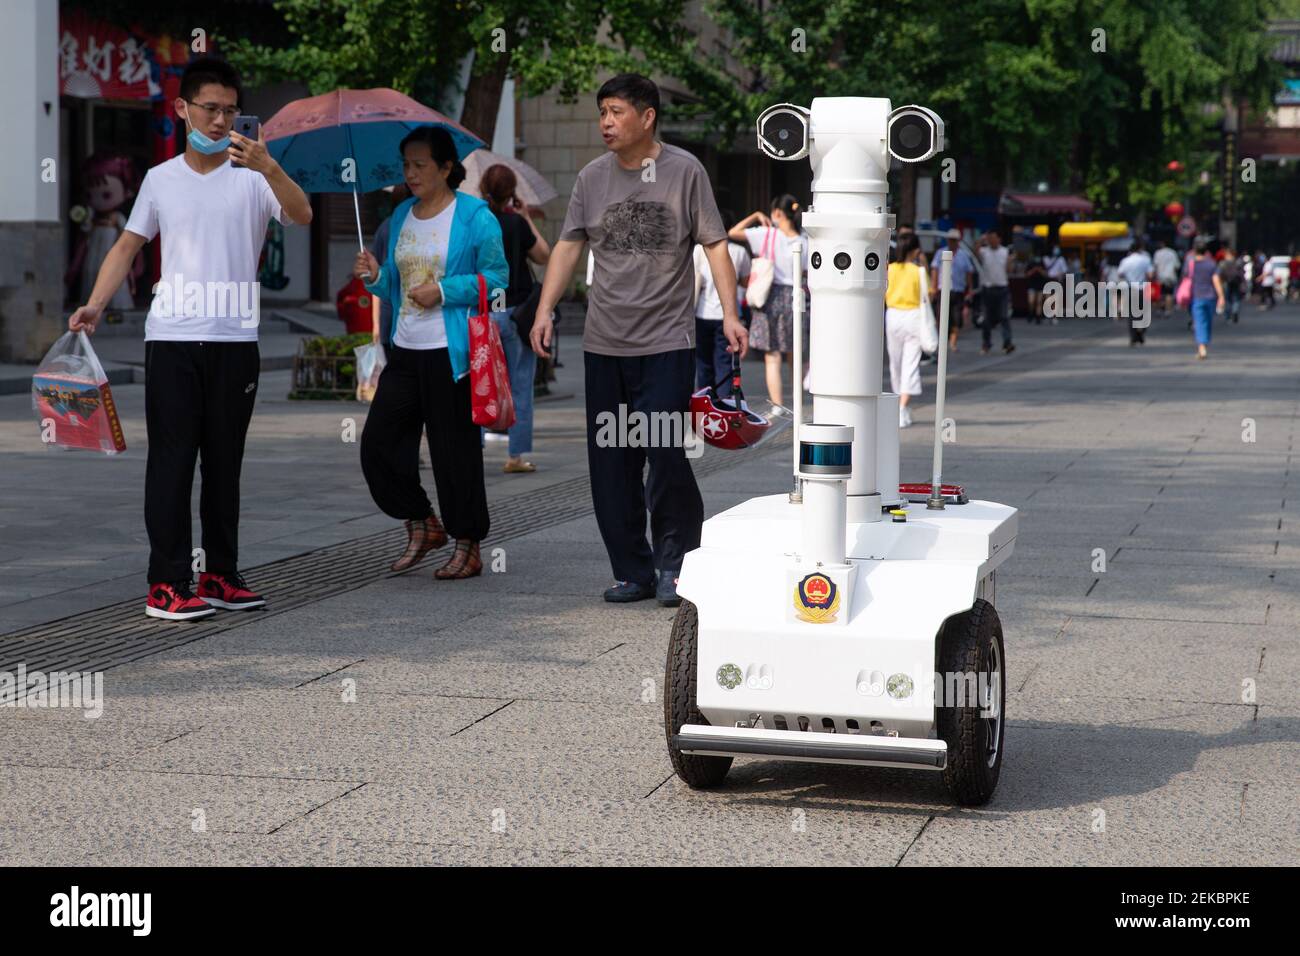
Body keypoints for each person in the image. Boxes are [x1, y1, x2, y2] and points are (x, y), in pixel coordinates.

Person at [68, 56, 311, 621]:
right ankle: (168, 582)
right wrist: (96, 305)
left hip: (235, 339)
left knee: (225, 464)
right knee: (174, 462)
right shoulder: (160, 179)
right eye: (211, 108)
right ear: (183, 110)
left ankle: (221, 573)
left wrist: (270, 168)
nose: (222, 120)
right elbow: (127, 246)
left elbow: (299, 216)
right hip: (174, 338)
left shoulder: (254, 177)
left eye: (231, 109)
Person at [529, 73, 746, 607]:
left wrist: (733, 316)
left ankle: (675, 564)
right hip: (605, 344)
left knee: (664, 452)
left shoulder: (683, 171)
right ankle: (633, 569)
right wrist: (544, 310)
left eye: (616, 111)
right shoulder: (591, 178)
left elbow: (716, 244)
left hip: (667, 344)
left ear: (647, 117)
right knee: (612, 458)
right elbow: (567, 247)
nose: (605, 122)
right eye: (601, 111)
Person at [354, 126, 508, 580]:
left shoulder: (476, 217)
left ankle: (468, 542)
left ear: (446, 167)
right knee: (378, 445)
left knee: (454, 452)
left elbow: (498, 281)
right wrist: (375, 275)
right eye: (406, 165)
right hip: (405, 349)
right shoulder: (401, 214)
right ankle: (423, 522)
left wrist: (444, 290)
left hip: (452, 353)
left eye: (421, 164)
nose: (411, 173)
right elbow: (396, 287)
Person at [479, 163, 551, 474]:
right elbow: (544, 255)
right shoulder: (515, 224)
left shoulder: (477, 222)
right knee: (521, 385)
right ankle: (515, 456)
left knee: (484, 384)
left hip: (485, 311)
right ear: (512, 193)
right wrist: (525, 218)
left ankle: (475, 448)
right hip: (518, 313)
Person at [729, 195, 809, 406]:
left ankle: (777, 406)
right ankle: (798, 403)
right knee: (795, 355)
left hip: (769, 296)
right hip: (796, 297)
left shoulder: (766, 234)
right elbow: (807, 273)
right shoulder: (805, 241)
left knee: (772, 357)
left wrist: (756, 216)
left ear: (777, 214)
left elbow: (732, 233)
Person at [693, 226, 751, 397]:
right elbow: (745, 281)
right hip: (728, 315)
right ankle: (725, 405)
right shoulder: (739, 251)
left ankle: (705, 406)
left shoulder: (698, 250)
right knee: (725, 364)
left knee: (703, 365)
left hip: (702, 313)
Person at [885, 235, 929, 428]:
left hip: (893, 315)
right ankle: (903, 407)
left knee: (895, 363)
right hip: (913, 316)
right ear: (915, 250)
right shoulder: (918, 271)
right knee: (910, 364)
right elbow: (930, 293)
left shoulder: (890, 269)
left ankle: (900, 406)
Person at [929, 228, 976, 350]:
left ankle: (952, 342)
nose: (952, 242)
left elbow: (969, 272)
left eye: (954, 240)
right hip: (942, 290)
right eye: (950, 240)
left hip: (957, 290)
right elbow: (935, 269)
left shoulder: (963, 255)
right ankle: (941, 342)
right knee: (940, 316)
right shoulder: (940, 253)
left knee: (956, 318)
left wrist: (969, 289)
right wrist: (933, 287)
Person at [976, 231, 1014, 355]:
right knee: (986, 318)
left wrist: (1010, 262)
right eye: (990, 239)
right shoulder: (984, 251)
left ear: (999, 239)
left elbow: (1009, 270)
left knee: (1004, 316)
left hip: (1002, 288)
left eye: (994, 238)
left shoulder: (1005, 252)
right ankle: (986, 343)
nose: (992, 241)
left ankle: (1007, 342)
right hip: (987, 289)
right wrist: (981, 240)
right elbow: (975, 251)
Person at [1188, 238, 1224, 361]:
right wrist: (1221, 296)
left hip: (1196, 296)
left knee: (1200, 322)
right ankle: (1203, 345)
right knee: (1207, 322)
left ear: (1194, 250)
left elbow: (1186, 279)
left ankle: (1202, 346)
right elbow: (1216, 280)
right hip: (1210, 297)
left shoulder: (1191, 264)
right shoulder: (1211, 264)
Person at [1116, 240, 1154, 345]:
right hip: (1144, 287)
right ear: (1140, 249)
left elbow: (1120, 274)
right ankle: (1141, 331)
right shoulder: (1145, 259)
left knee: (1132, 314)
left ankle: (1133, 337)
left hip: (1131, 288)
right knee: (1145, 312)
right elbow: (1150, 275)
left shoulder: (1125, 261)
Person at [1042, 245, 1068, 324]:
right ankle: (1048, 314)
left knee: (1055, 299)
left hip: (1056, 280)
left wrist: (1060, 274)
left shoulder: (1061, 259)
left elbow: (1065, 270)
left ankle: (1054, 316)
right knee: (1047, 299)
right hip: (1048, 279)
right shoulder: (1045, 258)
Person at [1152, 240, 1179, 316]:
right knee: (1169, 293)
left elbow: (1155, 265)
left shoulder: (1158, 253)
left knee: (1160, 293)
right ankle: (1168, 310)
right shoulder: (1173, 252)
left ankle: (1160, 308)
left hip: (1160, 275)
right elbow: (1176, 266)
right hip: (1170, 275)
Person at [1217, 248, 1243, 325]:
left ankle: (1228, 316)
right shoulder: (1238, 262)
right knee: (1236, 299)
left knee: (1227, 300)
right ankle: (1235, 312)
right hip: (1236, 282)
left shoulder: (1223, 263)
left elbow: (1219, 274)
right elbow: (1241, 273)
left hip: (1226, 282)